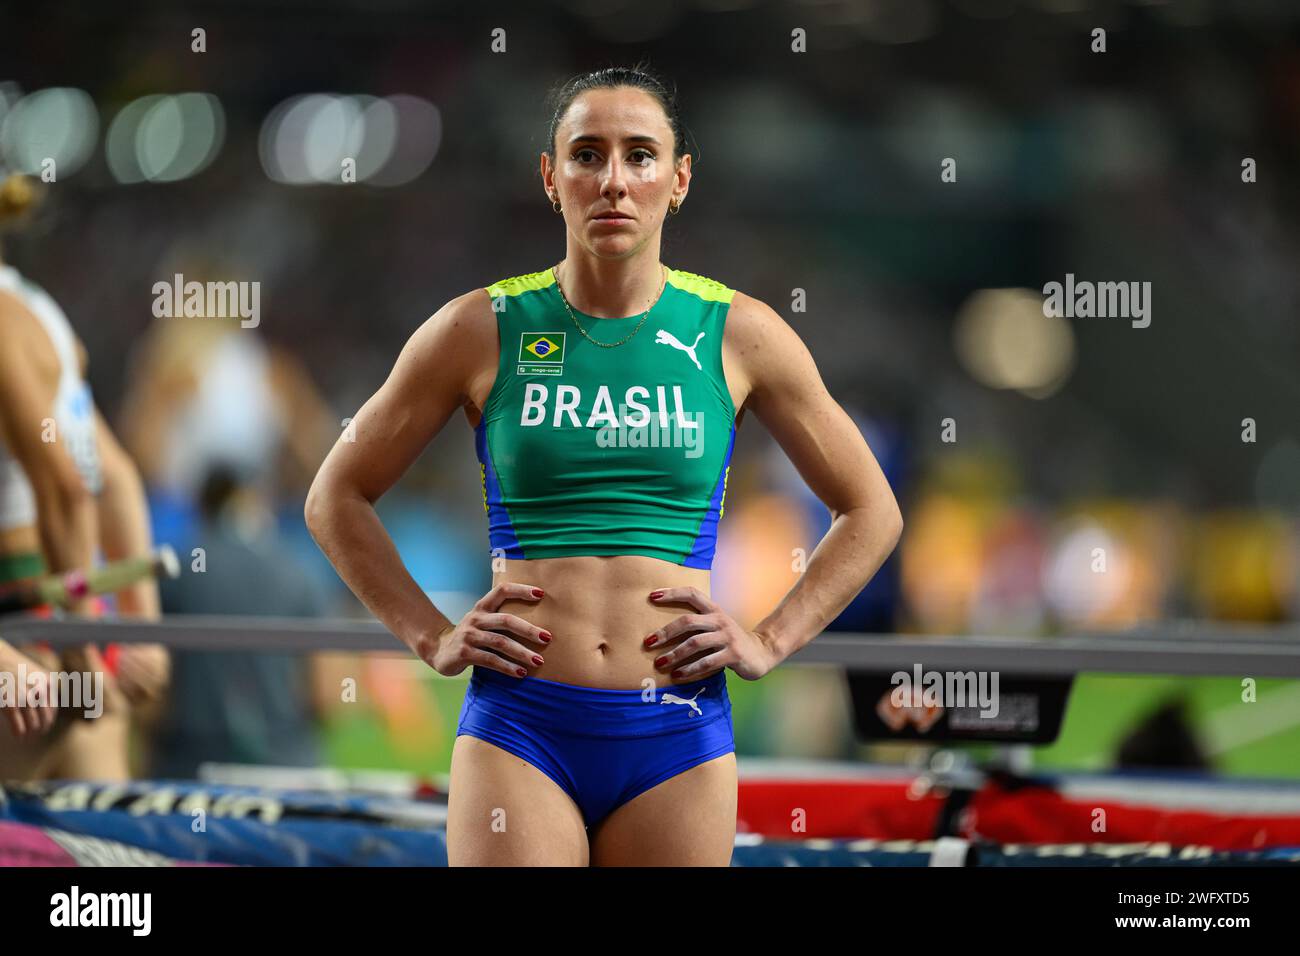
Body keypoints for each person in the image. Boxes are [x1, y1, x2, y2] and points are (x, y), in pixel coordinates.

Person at [305, 65, 903, 866]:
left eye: (640, 155)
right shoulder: (480, 328)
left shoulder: (740, 333)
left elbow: (873, 511)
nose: (614, 180)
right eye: (587, 155)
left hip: (677, 739)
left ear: (679, 179)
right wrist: (431, 636)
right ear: (552, 178)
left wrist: (769, 638)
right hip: (519, 728)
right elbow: (335, 496)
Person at [0, 170, 167, 780]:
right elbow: (114, 474)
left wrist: (77, 648)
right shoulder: (39, 310)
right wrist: (134, 628)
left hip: (31, 623)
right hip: (65, 611)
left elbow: (67, 486)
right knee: (99, 847)